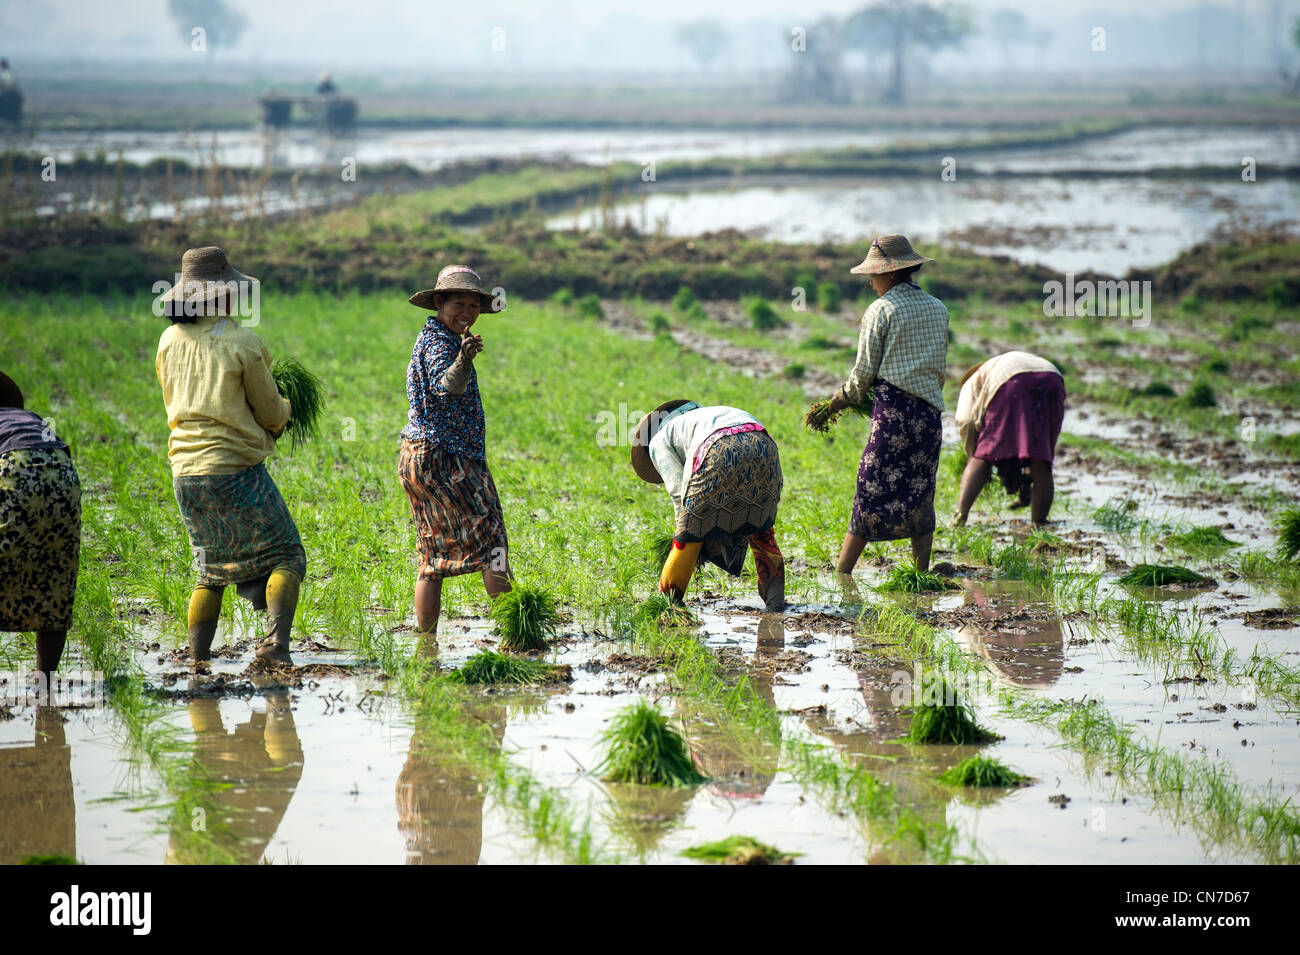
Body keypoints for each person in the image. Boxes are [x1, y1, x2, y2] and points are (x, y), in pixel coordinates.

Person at [155, 247, 305, 669]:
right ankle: (275, 647)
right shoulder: (243, 343)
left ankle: (198, 660)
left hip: (185, 472)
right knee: (286, 556)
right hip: (235, 469)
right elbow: (271, 411)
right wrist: (287, 414)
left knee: (210, 570)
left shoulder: (168, 341)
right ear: (219, 295)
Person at [810, 234, 949, 575]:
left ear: (889, 273)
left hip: (895, 416)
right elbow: (938, 369)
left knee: (870, 487)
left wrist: (836, 403)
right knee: (920, 489)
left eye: (873, 276)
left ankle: (843, 573)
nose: (871, 284)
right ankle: (921, 572)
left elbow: (863, 376)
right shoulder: (938, 308)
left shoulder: (881, 310)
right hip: (929, 416)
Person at [399, 265, 513, 637]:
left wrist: (462, 355)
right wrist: (463, 360)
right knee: (493, 544)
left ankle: (426, 645)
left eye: (473, 305)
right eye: (458, 303)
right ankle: (519, 632)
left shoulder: (439, 337)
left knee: (431, 559)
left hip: (419, 459)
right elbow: (446, 387)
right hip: (449, 460)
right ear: (438, 301)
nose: (467, 312)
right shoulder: (438, 344)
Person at [631, 400, 785, 610]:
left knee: (689, 537)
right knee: (761, 530)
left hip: (717, 447)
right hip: (765, 447)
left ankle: (666, 607)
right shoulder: (706, 416)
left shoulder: (658, 440)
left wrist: (686, 533)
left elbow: (680, 495)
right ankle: (776, 606)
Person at [0, 372, 81, 677]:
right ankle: (44, 681)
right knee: (55, 575)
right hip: (61, 474)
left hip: (11, 466)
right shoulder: (31, 419)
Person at [953, 351, 1065, 527]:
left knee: (985, 453)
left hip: (1012, 382)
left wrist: (973, 455)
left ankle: (960, 516)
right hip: (1053, 380)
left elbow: (965, 420)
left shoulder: (972, 382)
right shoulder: (995, 367)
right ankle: (1039, 522)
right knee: (1040, 457)